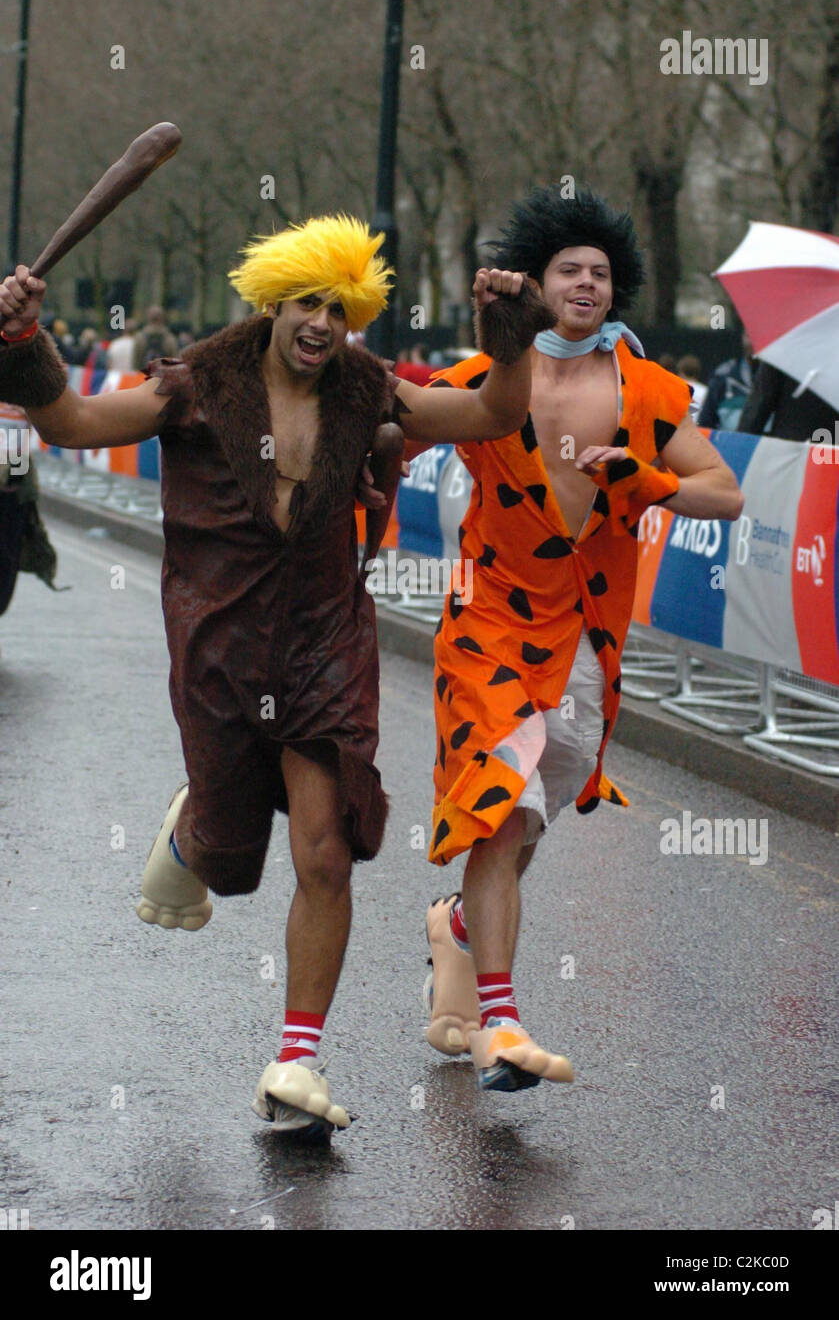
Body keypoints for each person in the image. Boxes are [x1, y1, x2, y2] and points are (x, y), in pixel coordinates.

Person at [0, 214, 551, 1141]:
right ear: (271, 303)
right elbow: (73, 422)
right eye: (307, 303)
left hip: (325, 647)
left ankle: (296, 1058)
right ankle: (197, 830)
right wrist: (22, 340)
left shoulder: (368, 390)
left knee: (325, 850)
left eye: (339, 309)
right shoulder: (194, 388)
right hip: (220, 650)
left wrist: (511, 340)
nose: (321, 323)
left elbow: (493, 413)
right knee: (226, 842)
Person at [419, 187, 743, 1094]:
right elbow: (385, 427)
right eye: (569, 269)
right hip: (486, 626)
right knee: (498, 810)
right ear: (535, 281)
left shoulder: (647, 389)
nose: (587, 283)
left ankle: (454, 928)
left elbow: (725, 493)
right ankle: (502, 1022)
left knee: (521, 826)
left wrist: (643, 477)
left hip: (585, 643)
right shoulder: (485, 375)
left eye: (601, 272)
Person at [697, 333, 754, 431]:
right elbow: (706, 421)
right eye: (748, 335)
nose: (753, 342)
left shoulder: (779, 377)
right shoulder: (724, 375)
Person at [676, 353, 708, 421]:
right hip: (699, 429)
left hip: (677, 428)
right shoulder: (706, 391)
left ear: (681, 371)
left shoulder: (674, 388)